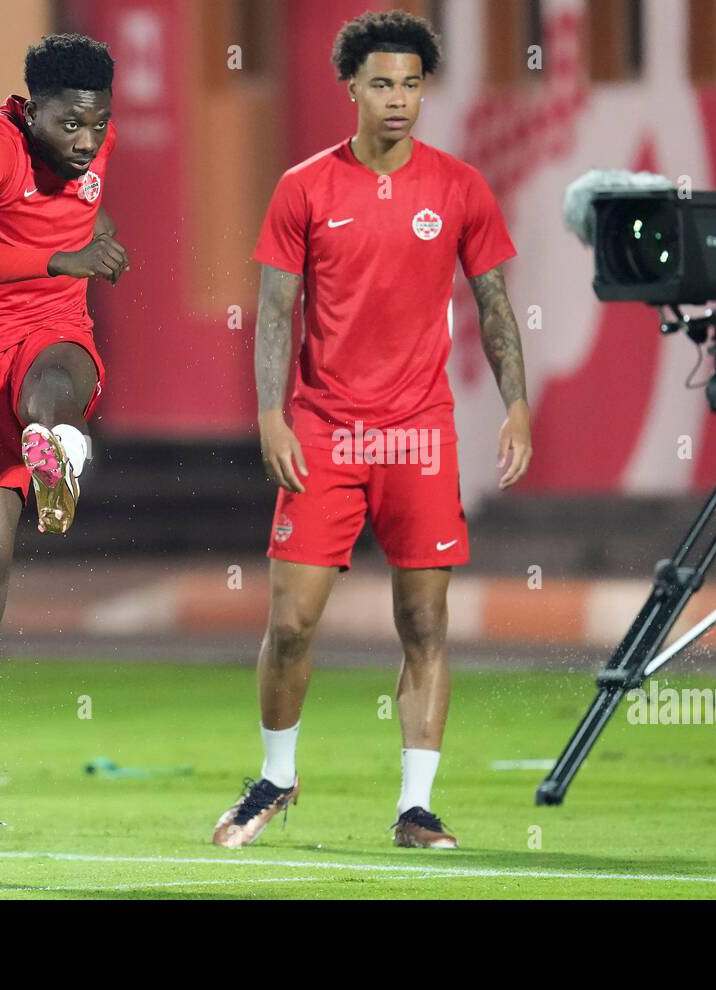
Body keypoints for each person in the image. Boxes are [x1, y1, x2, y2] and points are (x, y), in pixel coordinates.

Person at [213, 10, 532, 849]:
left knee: (425, 625)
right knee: (291, 622)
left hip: (421, 434)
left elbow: (496, 305)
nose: (399, 99)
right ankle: (275, 781)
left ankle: (415, 807)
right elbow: (276, 310)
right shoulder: (304, 187)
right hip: (324, 432)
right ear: (351, 87)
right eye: (383, 84)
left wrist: (519, 404)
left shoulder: (460, 186)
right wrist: (271, 414)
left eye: (413, 84)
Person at [0, 33, 128, 869]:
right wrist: (68, 253)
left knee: (59, 376)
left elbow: (88, 201)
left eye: (99, 123)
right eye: (72, 123)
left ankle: (56, 442)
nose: (87, 140)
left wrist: (97, 239)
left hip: (53, 324)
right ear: (32, 106)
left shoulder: (93, 139)